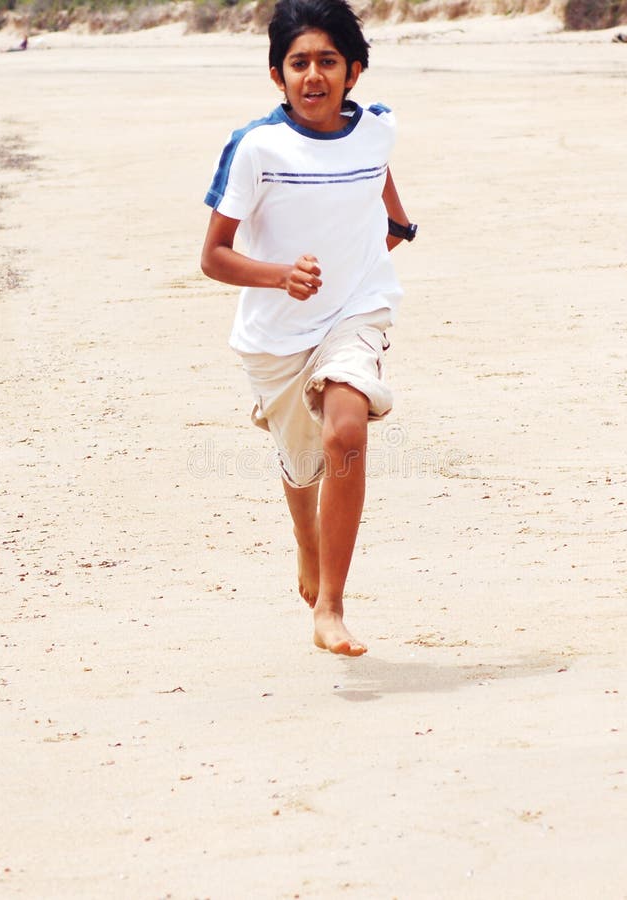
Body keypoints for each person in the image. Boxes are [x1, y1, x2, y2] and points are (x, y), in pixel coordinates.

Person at [200, 0, 417, 657]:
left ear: (353, 71)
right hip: (276, 336)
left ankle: (331, 607)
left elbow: (380, 187)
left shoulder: (376, 129)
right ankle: (305, 543)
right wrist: (279, 276)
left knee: (346, 431)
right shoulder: (256, 147)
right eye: (299, 63)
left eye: (328, 61)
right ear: (277, 76)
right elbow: (212, 256)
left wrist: (392, 235)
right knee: (302, 468)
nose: (313, 75)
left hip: (356, 310)